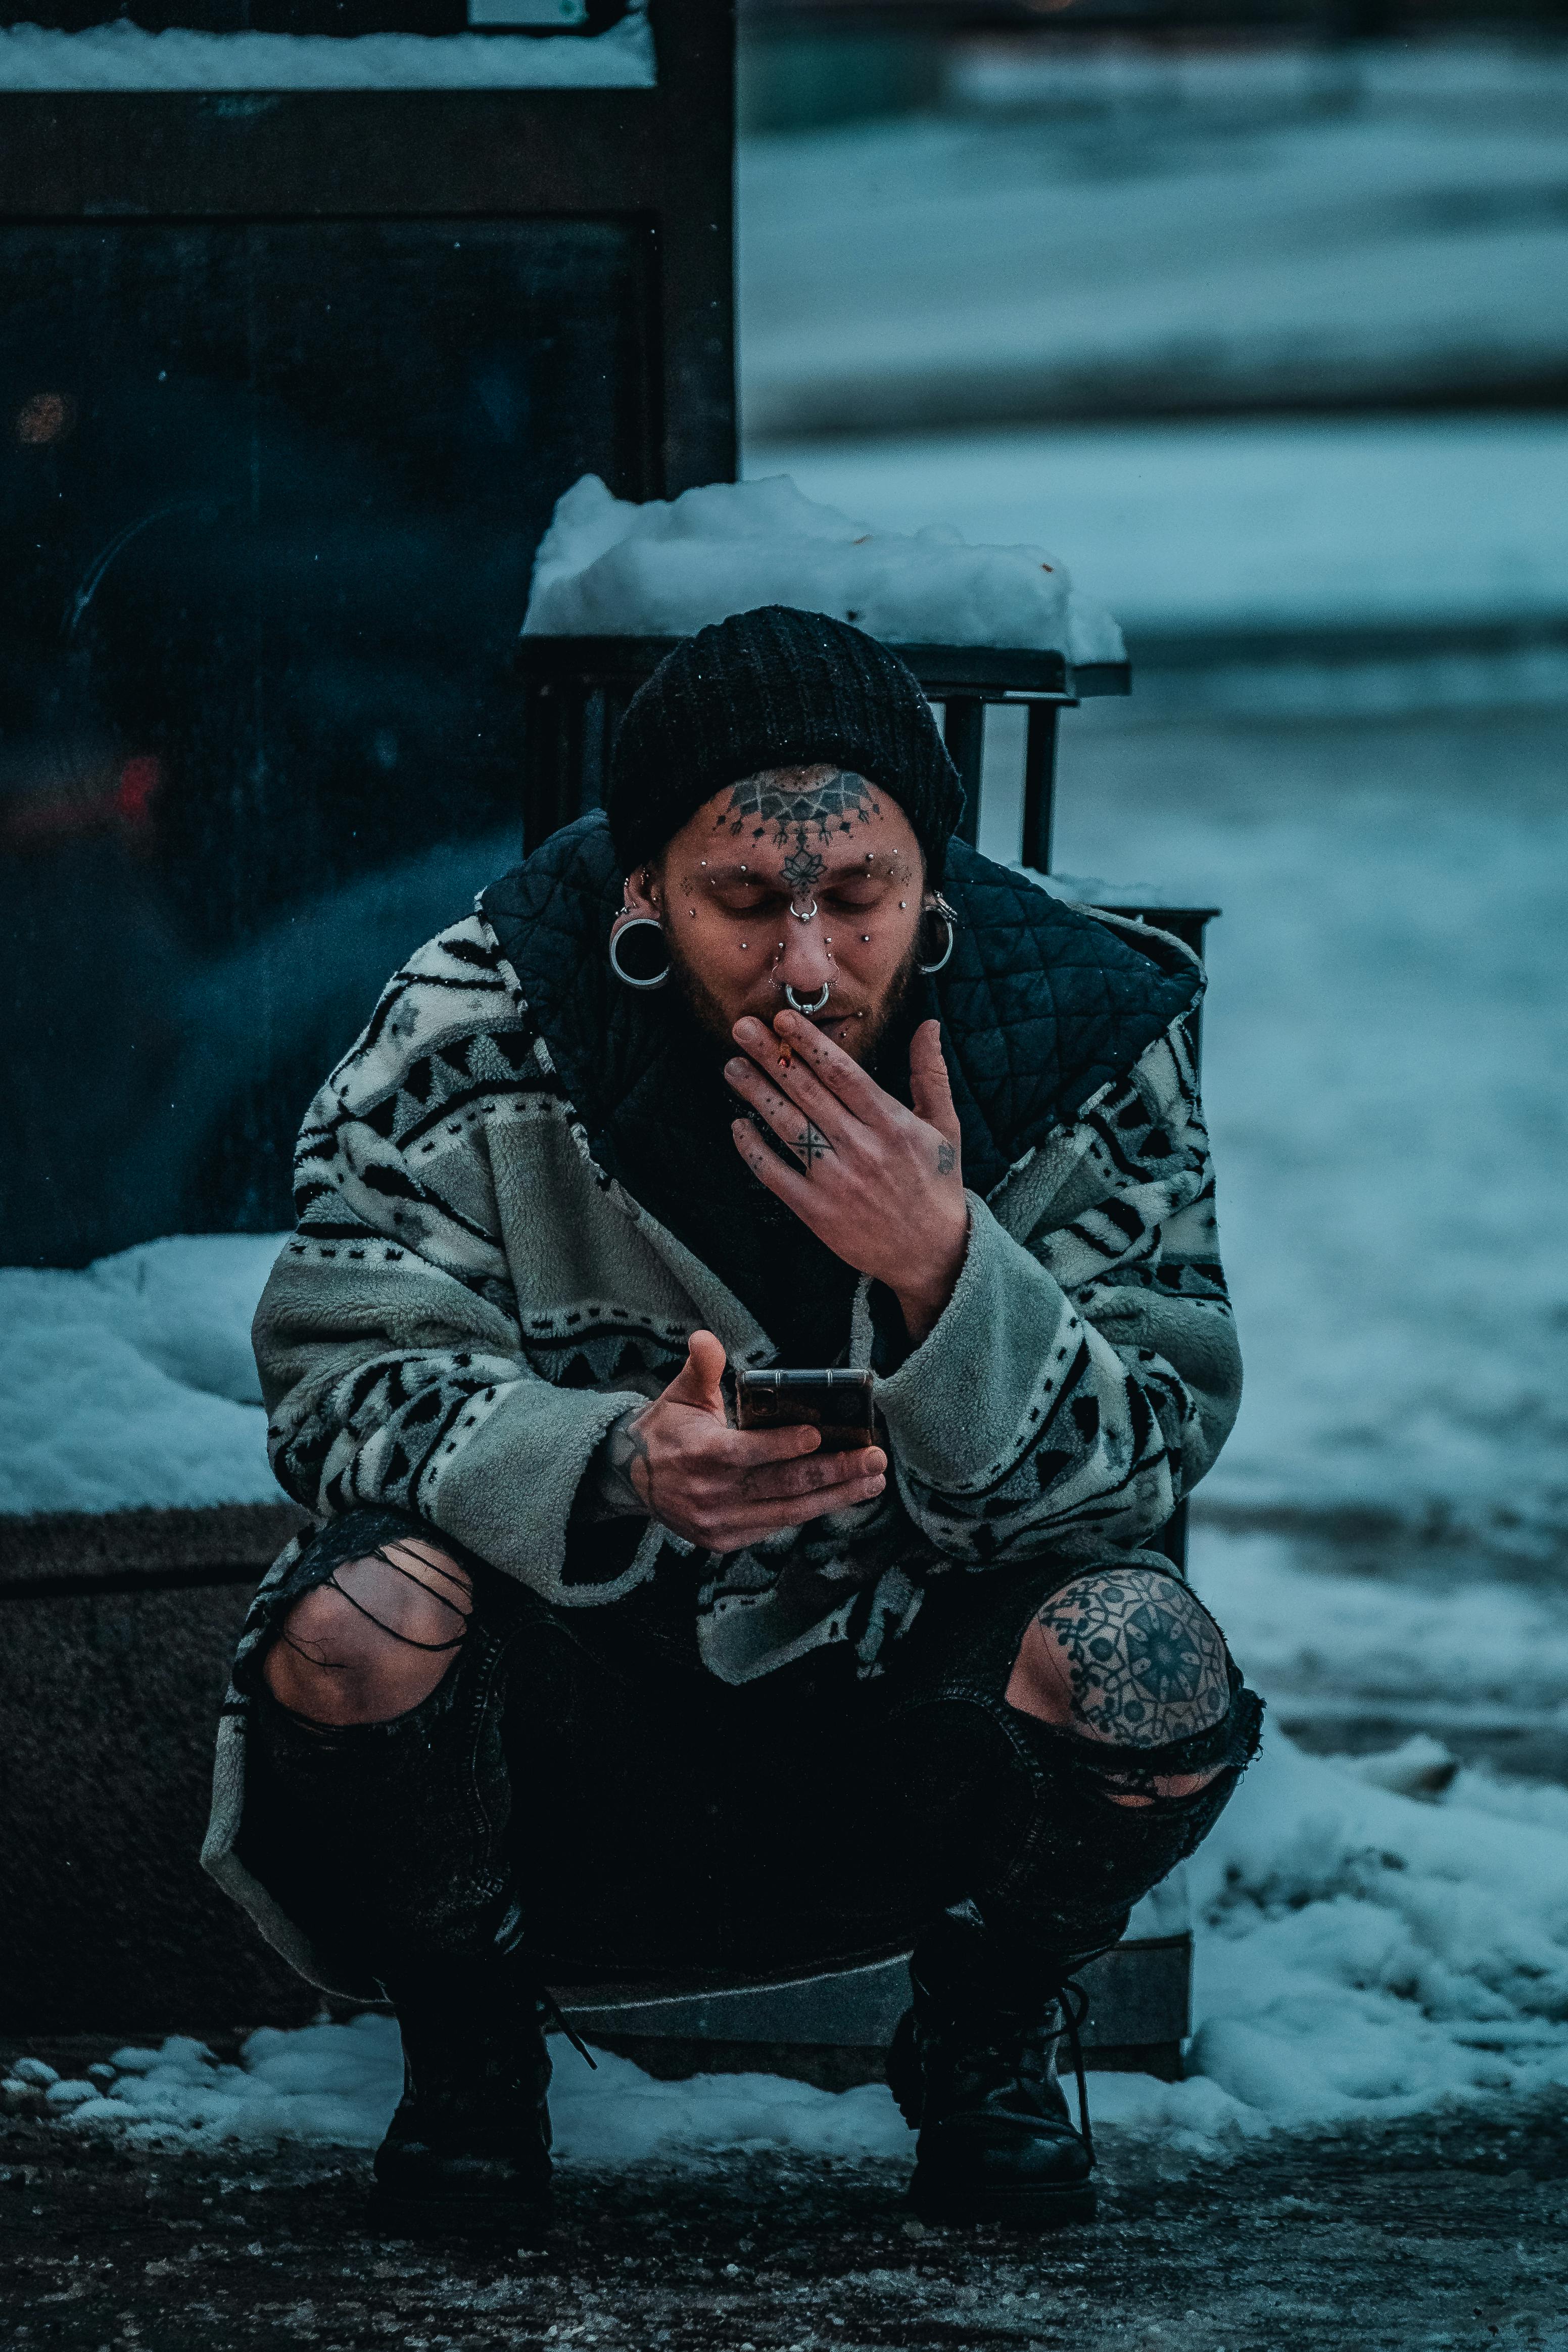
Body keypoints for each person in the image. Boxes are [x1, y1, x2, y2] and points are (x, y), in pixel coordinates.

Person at [204, 606, 1260, 2239]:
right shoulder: (473, 1022)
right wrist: (614, 1462)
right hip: (582, 1692)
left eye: (860, 897)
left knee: (1153, 1660)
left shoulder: (1093, 1039)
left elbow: (1154, 1443)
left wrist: (942, 1270)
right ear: (641, 890)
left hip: (923, 1683)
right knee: (355, 1621)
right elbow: (337, 1374)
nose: (810, 964)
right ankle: (470, 2052)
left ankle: (989, 2025)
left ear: (939, 882)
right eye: (745, 901)